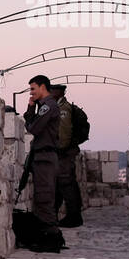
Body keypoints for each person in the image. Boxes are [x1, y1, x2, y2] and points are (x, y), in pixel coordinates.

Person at [21, 75, 63, 251]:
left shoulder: (48, 106)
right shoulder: (43, 106)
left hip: (45, 157)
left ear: (43, 87)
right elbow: (32, 124)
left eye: (33, 89)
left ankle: (51, 240)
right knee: (41, 197)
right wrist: (31, 108)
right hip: (42, 157)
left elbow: (33, 128)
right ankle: (48, 236)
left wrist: (32, 111)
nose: (31, 93)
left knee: (45, 197)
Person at [50, 83, 84, 228]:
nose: (50, 92)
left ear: (59, 92)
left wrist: (60, 149)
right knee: (61, 184)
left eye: (52, 90)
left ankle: (73, 217)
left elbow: (63, 133)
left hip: (64, 153)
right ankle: (58, 215)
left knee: (66, 184)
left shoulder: (63, 109)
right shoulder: (59, 107)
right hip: (63, 153)